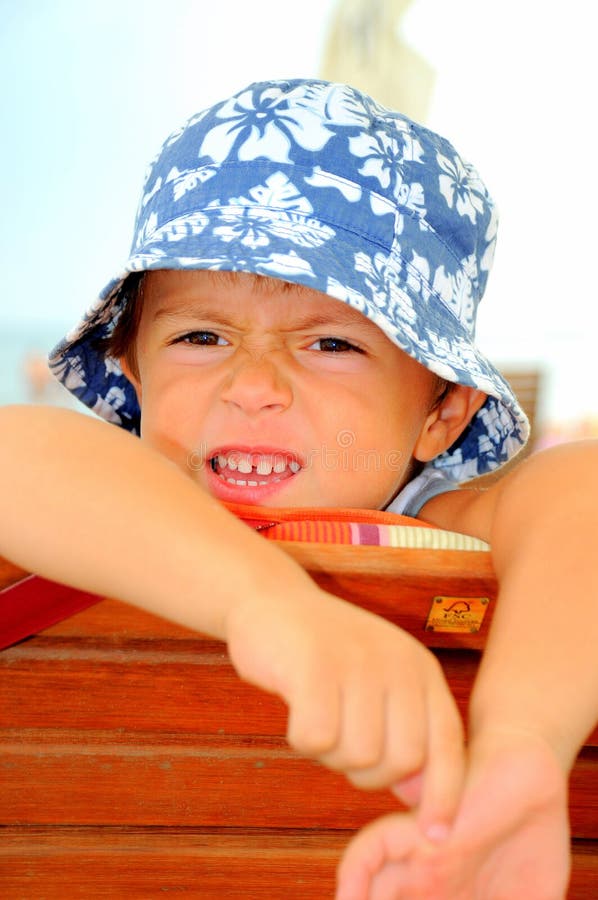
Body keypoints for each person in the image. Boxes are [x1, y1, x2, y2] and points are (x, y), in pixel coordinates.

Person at [0, 79, 596, 898]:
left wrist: (522, 742)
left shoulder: (431, 520)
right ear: (133, 373)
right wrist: (266, 602)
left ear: (440, 415)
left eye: (330, 344)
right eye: (201, 335)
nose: (253, 385)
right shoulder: (114, 490)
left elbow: (583, 495)